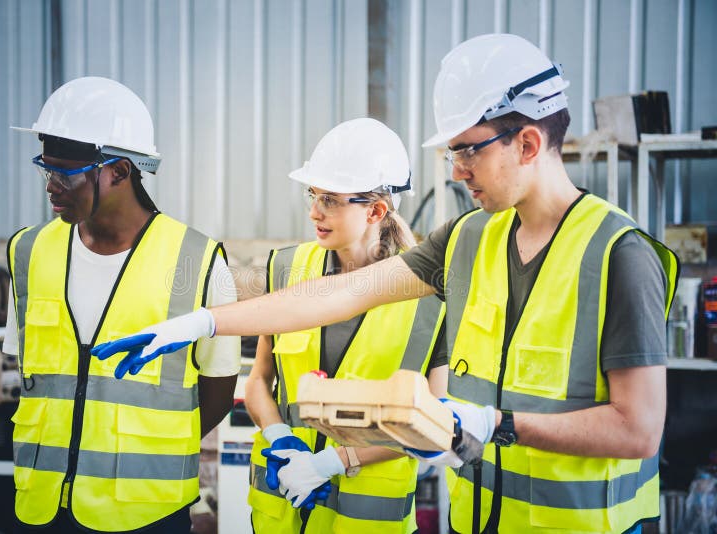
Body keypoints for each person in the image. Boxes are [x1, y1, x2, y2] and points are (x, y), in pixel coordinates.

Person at [93, 34, 679, 533]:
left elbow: (638, 430)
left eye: (468, 151)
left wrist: (494, 425)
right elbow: (339, 293)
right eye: (451, 154)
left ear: (527, 143)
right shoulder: (469, 239)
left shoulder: (618, 255)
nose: (455, 171)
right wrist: (207, 320)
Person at [4, 76, 240, 533]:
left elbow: (217, 393)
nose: (51, 185)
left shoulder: (197, 260)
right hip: (43, 505)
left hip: (146, 510)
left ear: (119, 171)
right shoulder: (28, 253)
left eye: (66, 172)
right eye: (45, 168)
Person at [244, 118, 448, 533]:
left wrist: (334, 461)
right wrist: (280, 436)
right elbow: (258, 382)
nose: (314, 212)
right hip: (280, 516)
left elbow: (435, 423)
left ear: (376, 210)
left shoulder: (431, 295)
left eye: (331, 200)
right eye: (313, 195)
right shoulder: (286, 267)